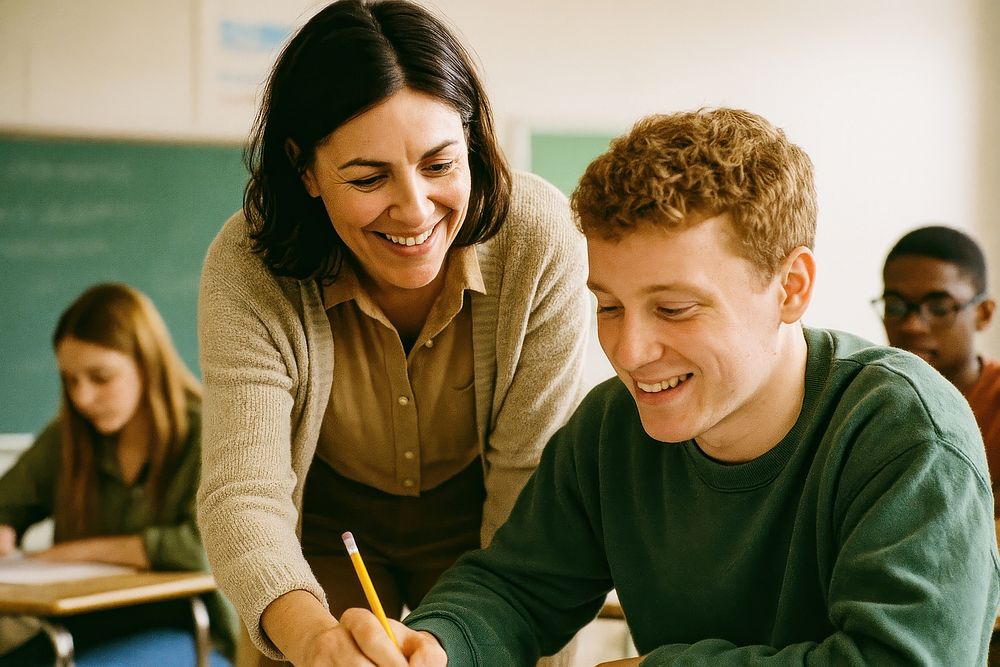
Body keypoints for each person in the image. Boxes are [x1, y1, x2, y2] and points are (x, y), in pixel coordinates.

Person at [328, 108, 1000, 666]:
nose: (629, 350)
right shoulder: (611, 428)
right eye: (609, 306)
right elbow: (515, 586)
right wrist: (436, 644)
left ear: (790, 287)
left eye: (675, 308)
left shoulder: (907, 434)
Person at [195, 0, 589, 664]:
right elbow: (245, 491)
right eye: (369, 177)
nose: (414, 210)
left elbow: (530, 487)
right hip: (323, 525)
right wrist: (315, 639)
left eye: (440, 165)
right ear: (305, 169)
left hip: (489, 523)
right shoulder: (249, 262)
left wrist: (464, 640)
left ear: (469, 138)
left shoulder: (537, 238)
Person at [0, 282, 236, 665]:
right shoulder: (69, 434)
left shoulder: (212, 431)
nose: (82, 397)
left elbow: (206, 549)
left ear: (148, 364)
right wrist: (5, 525)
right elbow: (7, 502)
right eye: (70, 380)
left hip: (194, 631)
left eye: (101, 377)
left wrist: (78, 552)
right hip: (85, 628)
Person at [875, 225, 1000, 517]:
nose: (911, 326)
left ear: (983, 314)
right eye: (895, 306)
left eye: (940, 308)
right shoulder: (867, 402)